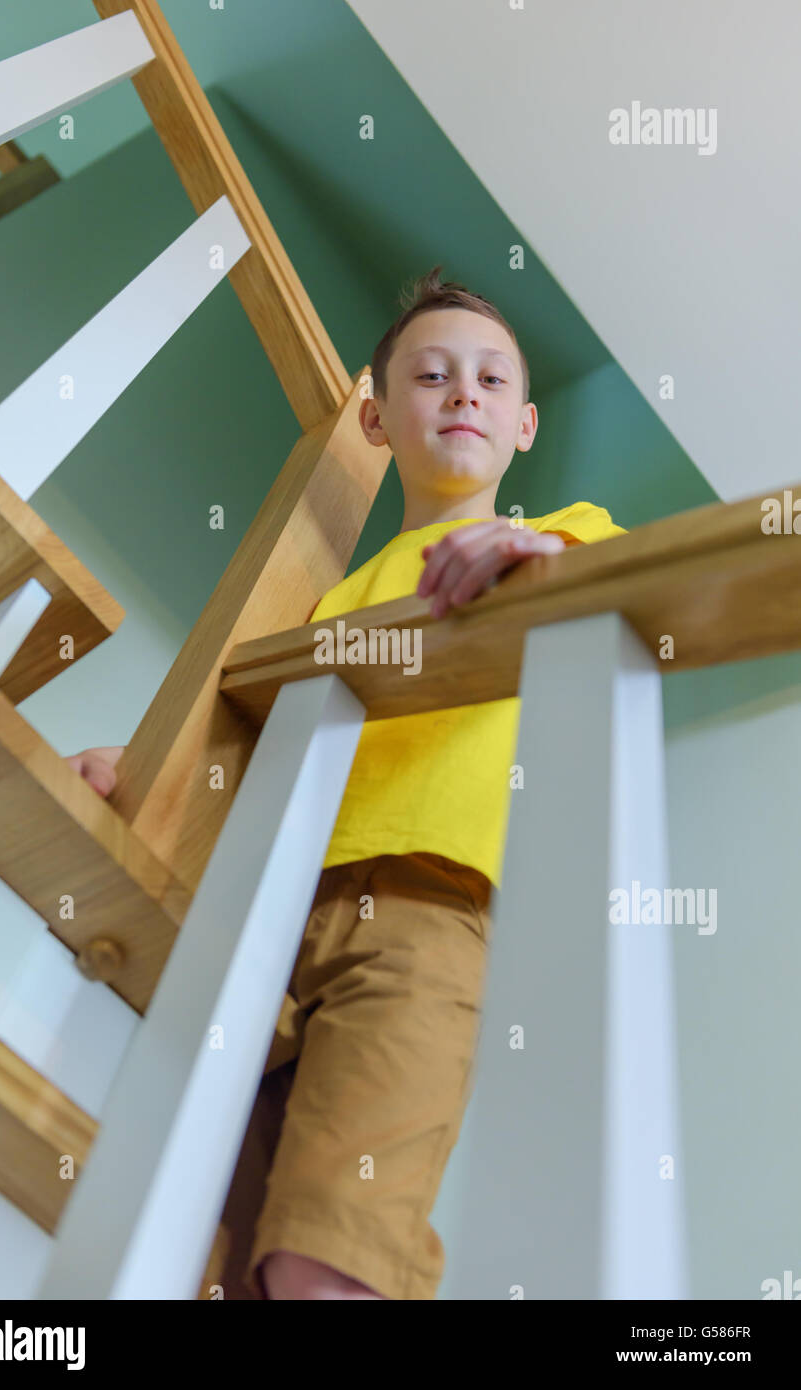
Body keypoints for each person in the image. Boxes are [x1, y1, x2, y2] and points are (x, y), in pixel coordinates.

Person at [66, 266, 626, 1299]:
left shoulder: (568, 535)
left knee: (330, 1247)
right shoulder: (330, 600)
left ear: (527, 425)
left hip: (426, 907)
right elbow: (246, 743)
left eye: (492, 380)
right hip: (267, 924)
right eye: (432, 374)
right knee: (209, 1248)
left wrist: (525, 546)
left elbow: (597, 579)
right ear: (376, 418)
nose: (464, 393)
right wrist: (145, 772)